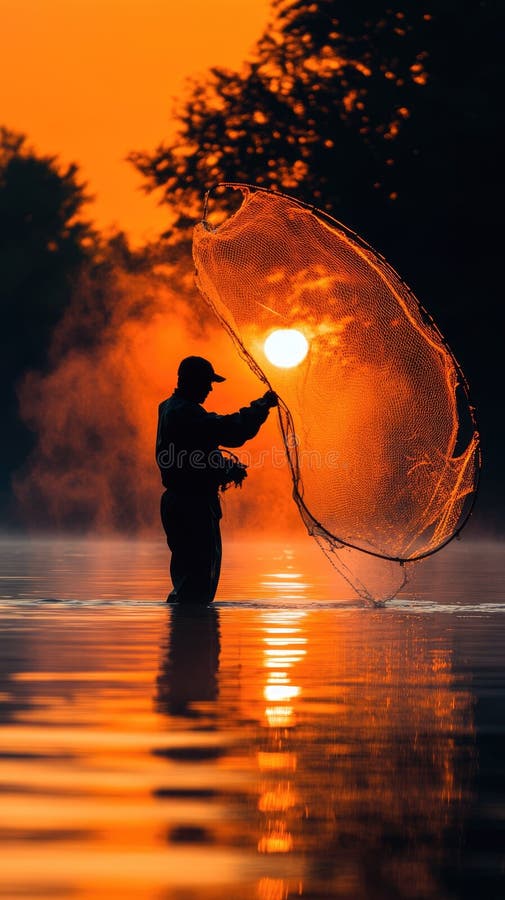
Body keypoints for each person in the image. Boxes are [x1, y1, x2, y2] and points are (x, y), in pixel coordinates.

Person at [156, 355, 277, 604]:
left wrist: (222, 468)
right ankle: (193, 639)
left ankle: (183, 636)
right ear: (189, 381)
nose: (210, 388)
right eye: (206, 382)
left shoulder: (168, 407)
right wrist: (261, 406)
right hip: (194, 505)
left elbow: (190, 453)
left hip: (179, 502)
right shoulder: (183, 412)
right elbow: (230, 430)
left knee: (188, 580)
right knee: (198, 583)